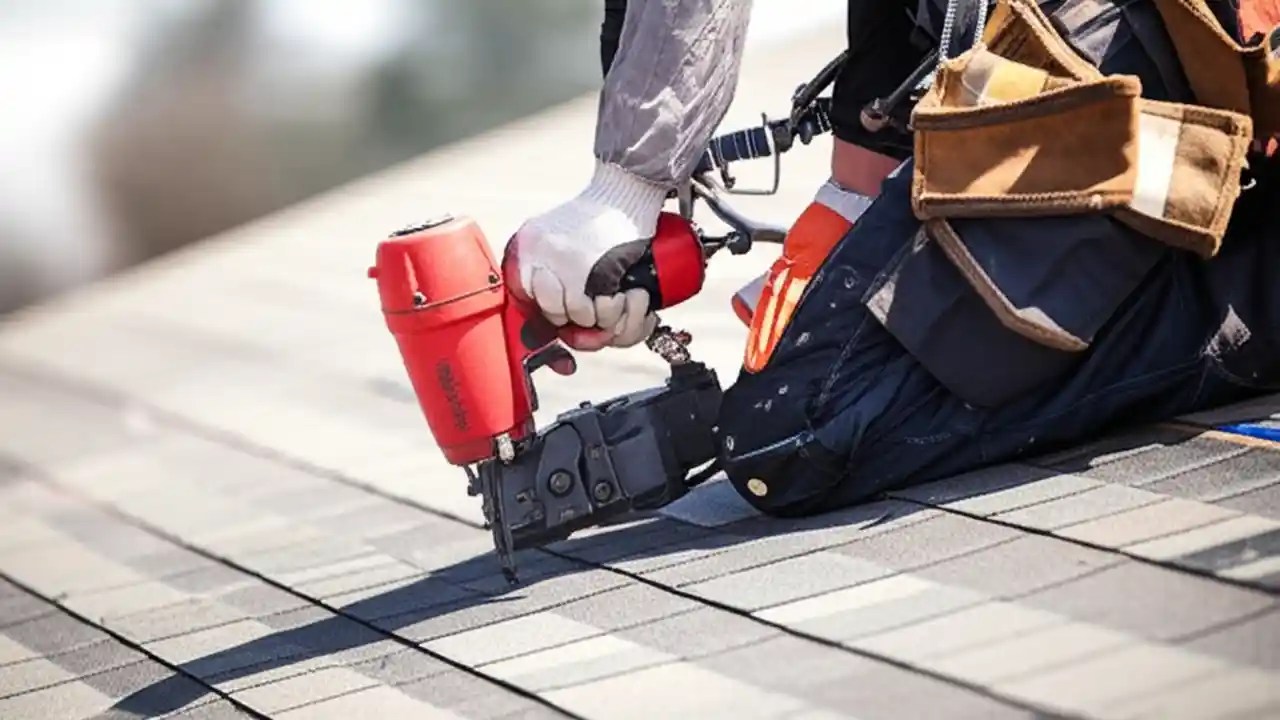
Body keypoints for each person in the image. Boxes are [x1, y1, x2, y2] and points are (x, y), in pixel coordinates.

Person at [508, 0, 1280, 517]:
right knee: (813, 381)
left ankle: (1254, 282)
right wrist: (849, 212)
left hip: (1157, 35)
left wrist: (626, 185)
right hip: (1105, 34)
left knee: (795, 437)